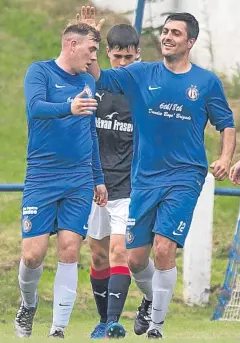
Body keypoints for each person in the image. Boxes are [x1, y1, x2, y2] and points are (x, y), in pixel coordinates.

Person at [81, 8, 236, 339]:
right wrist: (91, 42)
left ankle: (156, 328)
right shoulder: (140, 74)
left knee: (164, 248)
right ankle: (151, 300)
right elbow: (99, 76)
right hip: (144, 179)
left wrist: (224, 157)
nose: (167, 36)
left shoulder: (206, 82)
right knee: (136, 259)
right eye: (165, 31)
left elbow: (227, 125)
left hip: (185, 176)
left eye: (176, 33)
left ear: (190, 41)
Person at [14, 19, 108, 339]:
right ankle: (28, 305)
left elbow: (90, 132)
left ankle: (58, 330)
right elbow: (35, 108)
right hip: (42, 175)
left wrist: (97, 177)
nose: (94, 57)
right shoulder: (39, 72)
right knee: (33, 254)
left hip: (80, 177)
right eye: (91, 50)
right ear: (72, 45)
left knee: (70, 248)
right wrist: (69, 106)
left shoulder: (88, 82)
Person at [85, 22, 140, 338]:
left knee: (120, 252)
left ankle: (113, 323)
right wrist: (89, 36)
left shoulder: (141, 92)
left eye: (128, 58)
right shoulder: (95, 86)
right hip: (96, 186)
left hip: (129, 187)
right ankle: (103, 319)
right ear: (106, 53)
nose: (122, 63)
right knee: (98, 254)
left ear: (138, 55)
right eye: (117, 56)